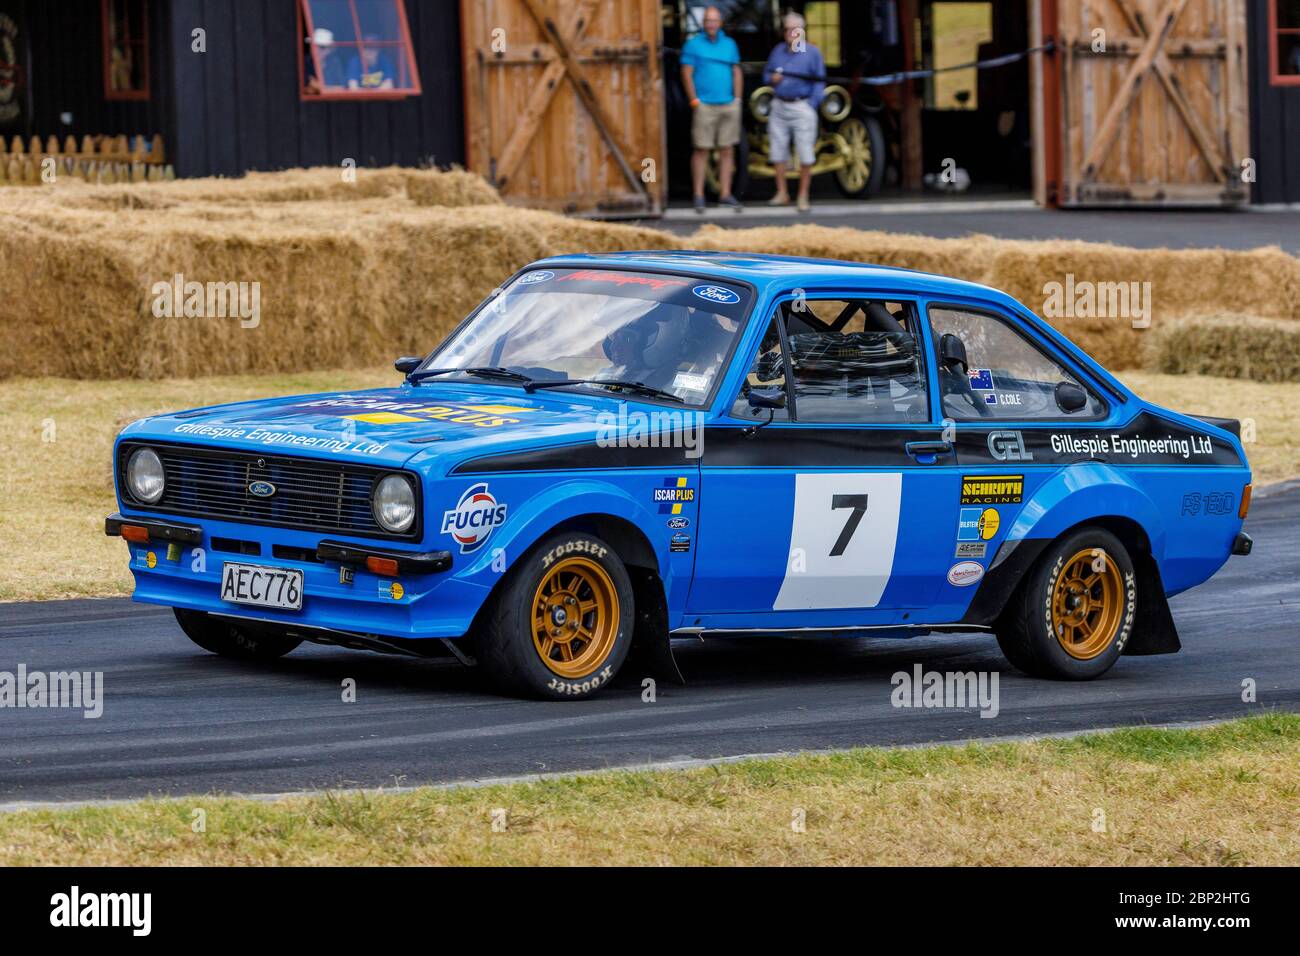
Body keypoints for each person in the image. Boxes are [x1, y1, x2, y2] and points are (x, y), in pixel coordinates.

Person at [680, 6, 744, 214]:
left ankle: (725, 194)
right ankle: (698, 195)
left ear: (720, 23)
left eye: (715, 20)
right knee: (701, 149)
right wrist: (694, 100)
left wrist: (737, 99)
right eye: (708, 20)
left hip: (728, 104)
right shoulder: (693, 44)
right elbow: (686, 73)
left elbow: (736, 71)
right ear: (703, 23)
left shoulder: (729, 44)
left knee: (727, 149)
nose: (711, 24)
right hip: (705, 105)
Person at [763, 10, 825, 212]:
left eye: (795, 29)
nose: (791, 33)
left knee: (805, 153)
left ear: (802, 31)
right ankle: (782, 192)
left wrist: (811, 105)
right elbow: (766, 75)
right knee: (777, 150)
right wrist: (771, 79)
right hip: (779, 104)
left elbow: (820, 81)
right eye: (787, 29)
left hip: (802, 105)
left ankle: (803, 195)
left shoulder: (812, 53)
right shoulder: (777, 51)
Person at [304, 28, 351, 93]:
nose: (317, 50)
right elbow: (306, 88)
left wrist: (320, 87)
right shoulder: (304, 62)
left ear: (329, 50)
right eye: (314, 46)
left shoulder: (334, 63)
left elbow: (341, 86)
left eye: (322, 47)